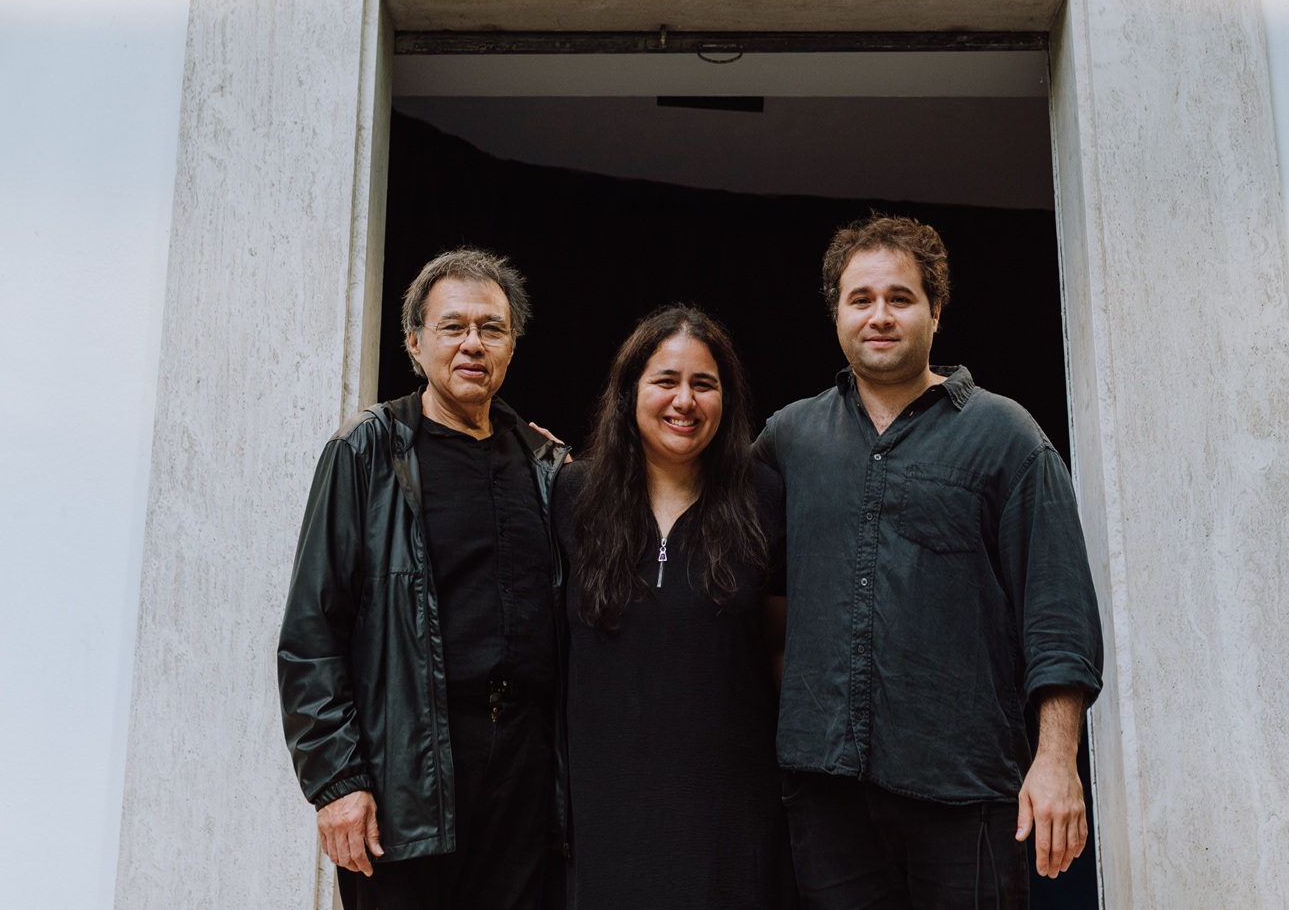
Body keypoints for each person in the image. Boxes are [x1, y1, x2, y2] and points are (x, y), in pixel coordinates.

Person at [758, 215, 1105, 910]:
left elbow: (1058, 615)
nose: (879, 316)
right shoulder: (788, 439)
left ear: (936, 313)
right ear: (836, 313)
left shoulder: (1007, 438)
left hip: (963, 786)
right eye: (861, 300)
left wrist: (1057, 759)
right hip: (826, 792)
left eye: (900, 298)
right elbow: (736, 569)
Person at [277, 248, 567, 910]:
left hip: (522, 769)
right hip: (406, 772)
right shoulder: (367, 451)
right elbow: (311, 631)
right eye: (453, 326)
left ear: (512, 344)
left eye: (491, 328)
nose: (473, 343)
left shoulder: (546, 466)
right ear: (414, 343)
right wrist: (337, 782)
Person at [553, 305, 795, 910]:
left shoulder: (764, 499)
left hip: (731, 808)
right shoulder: (572, 497)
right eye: (665, 381)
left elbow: (780, 650)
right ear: (629, 392)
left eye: (703, 384)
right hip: (606, 806)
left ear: (727, 399)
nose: (683, 400)